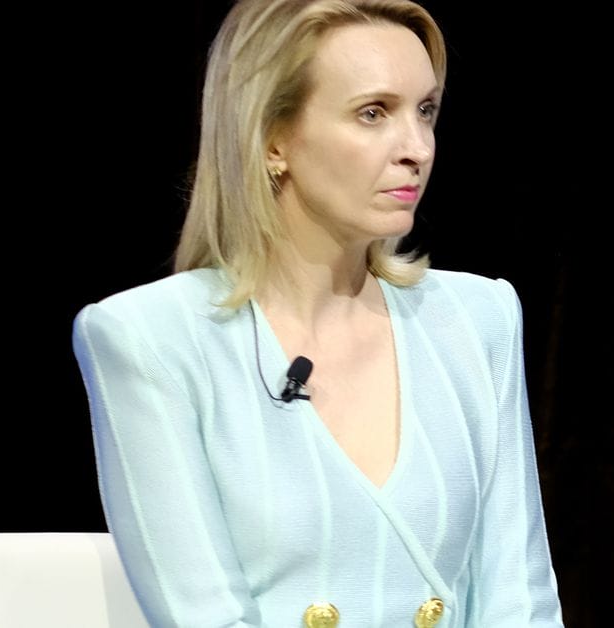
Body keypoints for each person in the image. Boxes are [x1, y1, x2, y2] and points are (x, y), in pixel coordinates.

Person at [71, 1, 563, 626]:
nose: (417, 148)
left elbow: (520, 602)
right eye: (373, 113)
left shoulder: (477, 318)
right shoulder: (150, 340)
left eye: (425, 110)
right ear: (273, 138)